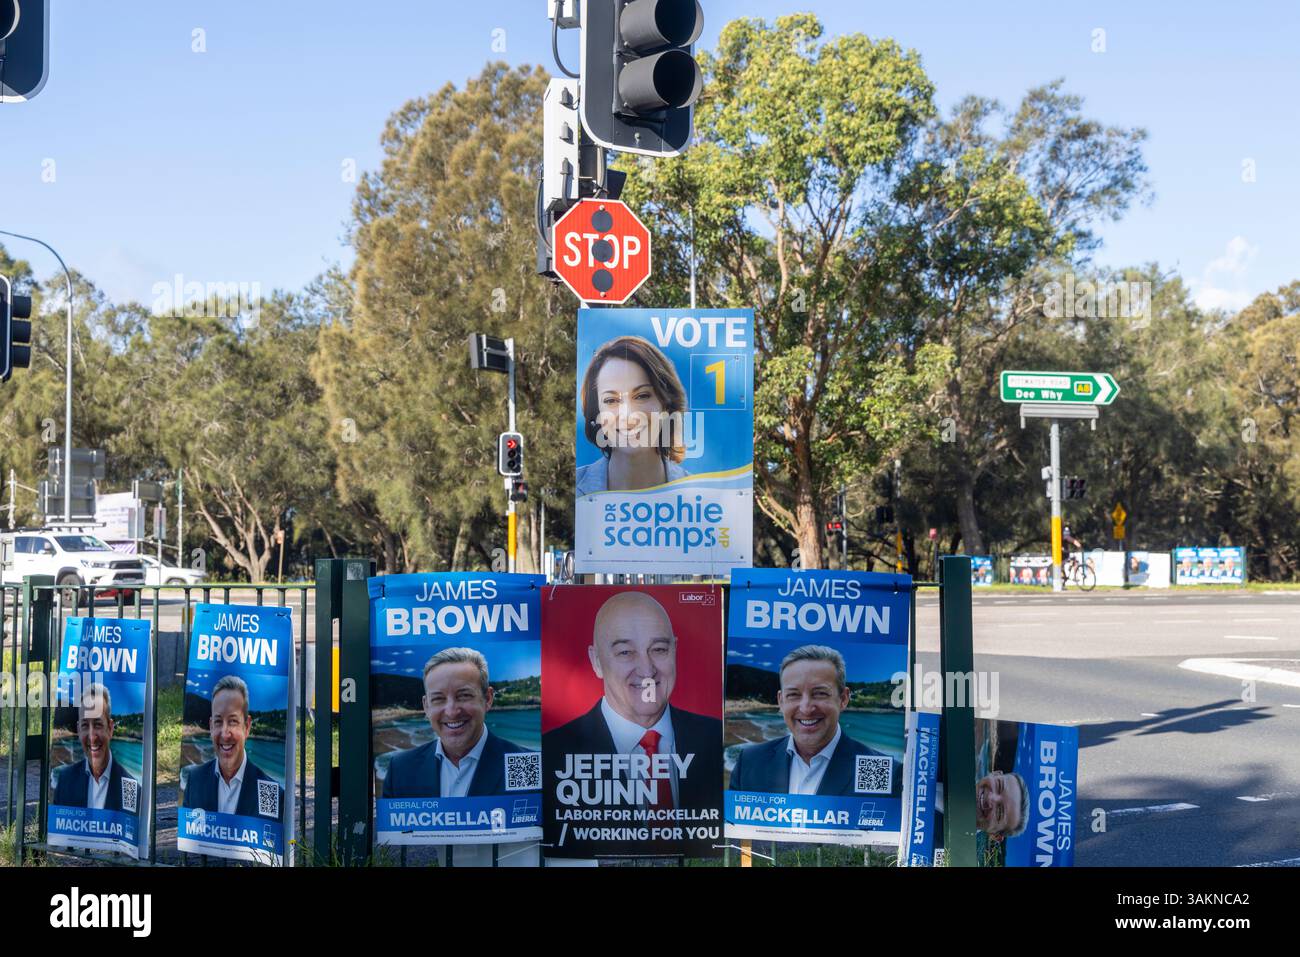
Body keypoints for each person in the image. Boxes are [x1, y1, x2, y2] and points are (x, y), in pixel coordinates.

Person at [542, 591, 721, 809]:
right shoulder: (550, 754)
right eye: (626, 652)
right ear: (596, 661)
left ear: (674, 649)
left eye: (659, 649)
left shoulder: (716, 739)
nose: (647, 670)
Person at [728, 645, 902, 798]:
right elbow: (735, 833)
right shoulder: (750, 762)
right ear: (781, 701)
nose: (806, 708)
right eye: (794, 694)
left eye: (820, 693)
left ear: (843, 698)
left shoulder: (879, 770)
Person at [382, 647, 535, 798]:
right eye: (438, 699)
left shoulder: (525, 765)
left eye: (464, 696)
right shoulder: (400, 769)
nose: (451, 712)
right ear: (426, 706)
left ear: (488, 698)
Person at [576, 336, 691, 495]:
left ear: (666, 405)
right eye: (611, 400)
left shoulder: (698, 496)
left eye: (642, 396)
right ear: (596, 414)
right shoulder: (573, 490)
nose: (628, 414)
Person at [182, 674, 283, 820]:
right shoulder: (194, 781)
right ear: (210, 726)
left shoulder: (270, 791)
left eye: (233, 721)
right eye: (218, 722)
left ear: (247, 727)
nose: (225, 734)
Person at [52, 684, 140, 814]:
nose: (92, 737)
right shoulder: (65, 781)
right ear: (78, 729)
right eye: (85, 725)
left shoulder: (131, 788)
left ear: (110, 729)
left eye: (98, 725)